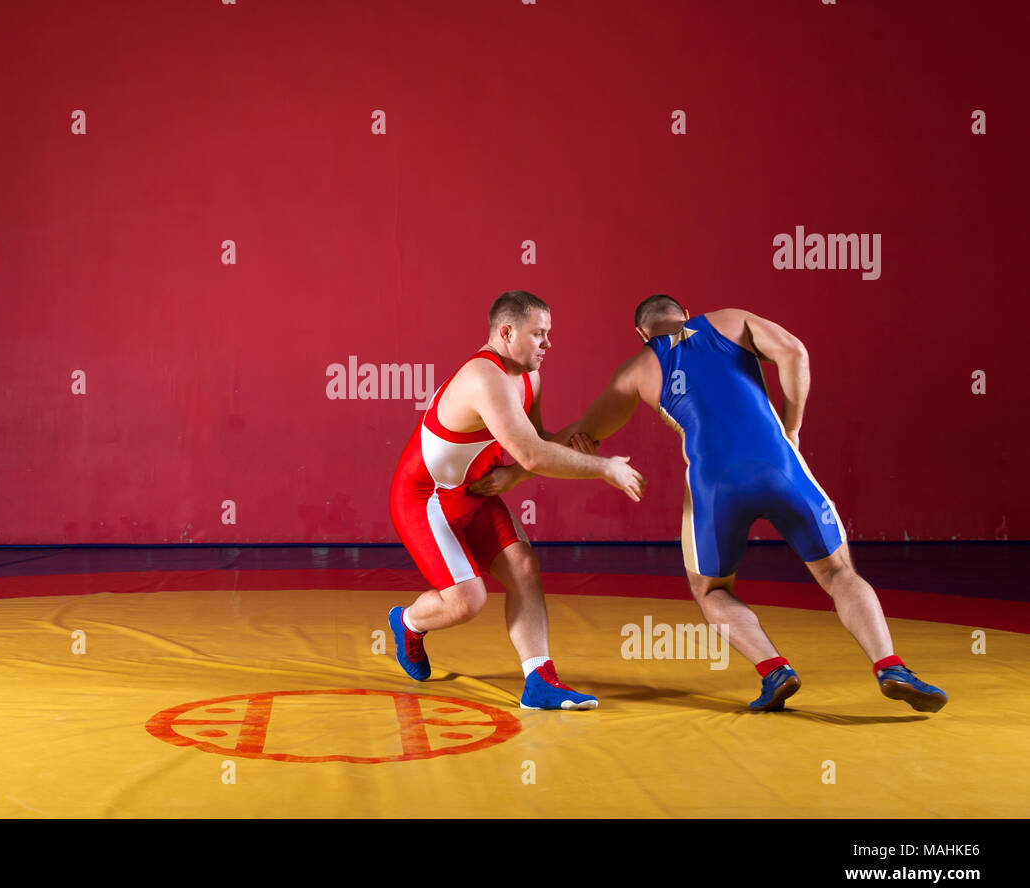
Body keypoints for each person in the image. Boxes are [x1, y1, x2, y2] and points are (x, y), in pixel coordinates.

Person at [471, 296, 947, 713]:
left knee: (711, 589)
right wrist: (793, 429)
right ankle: (890, 666)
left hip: (715, 483)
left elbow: (581, 438)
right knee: (838, 573)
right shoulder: (730, 320)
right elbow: (796, 352)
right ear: (686, 313)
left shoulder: (639, 369)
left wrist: (515, 472)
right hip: (780, 465)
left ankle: (775, 669)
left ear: (641, 333)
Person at [388, 290, 645, 710]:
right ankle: (408, 622)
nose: (548, 344)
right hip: (426, 500)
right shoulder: (482, 377)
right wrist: (605, 468)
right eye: (539, 334)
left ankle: (539, 681)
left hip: (475, 492)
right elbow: (532, 456)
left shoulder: (528, 376)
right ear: (506, 332)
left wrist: (578, 439)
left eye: (549, 334)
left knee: (525, 566)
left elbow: (536, 442)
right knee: (468, 601)